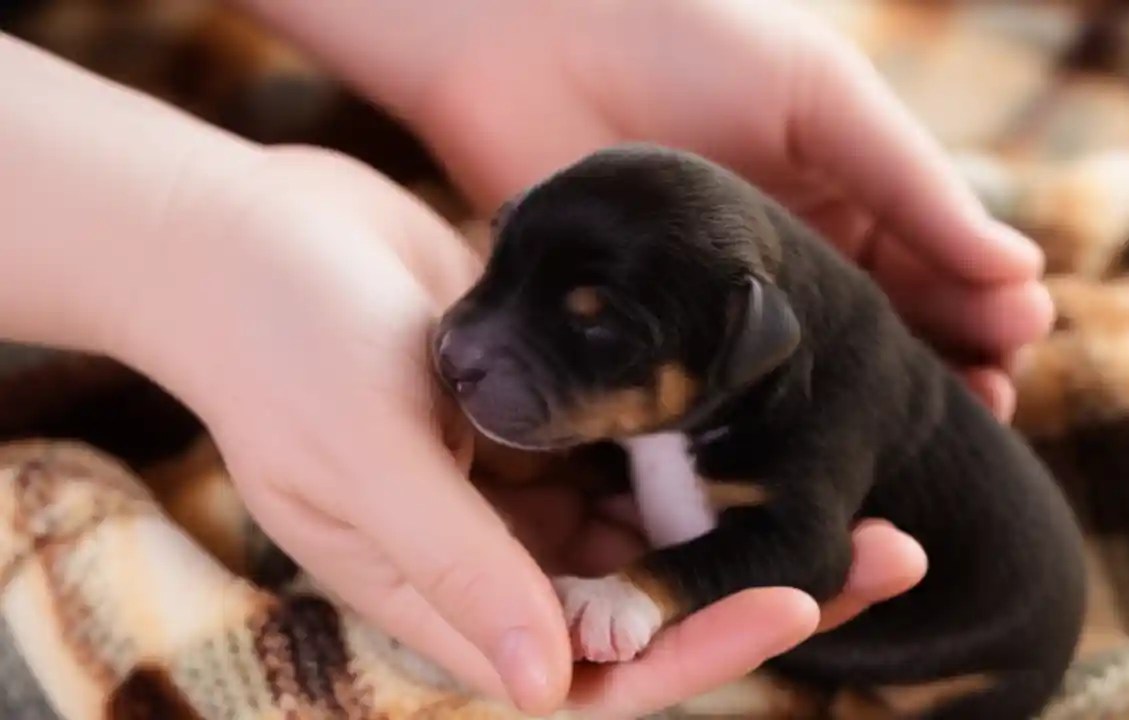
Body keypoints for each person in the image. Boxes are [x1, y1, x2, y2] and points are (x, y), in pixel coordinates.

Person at [0, 1, 1052, 716]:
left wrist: (500, 24)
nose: (461, 342)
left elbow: (798, 550)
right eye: (499, 255)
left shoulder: (808, 412)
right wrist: (173, 237)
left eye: (592, 324)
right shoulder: (729, 350)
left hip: (965, 662)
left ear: (747, 347)